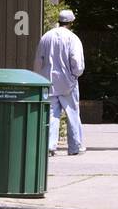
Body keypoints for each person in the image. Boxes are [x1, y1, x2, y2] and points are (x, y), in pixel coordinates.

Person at [34, 8, 86, 156]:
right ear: (71, 22)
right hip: (68, 83)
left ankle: (50, 146)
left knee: (51, 114)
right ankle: (75, 147)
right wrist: (76, 74)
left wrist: (39, 78)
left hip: (48, 81)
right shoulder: (73, 38)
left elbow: (38, 60)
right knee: (72, 113)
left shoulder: (46, 37)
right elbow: (77, 61)